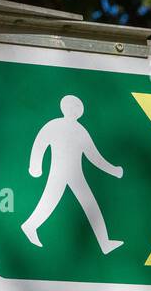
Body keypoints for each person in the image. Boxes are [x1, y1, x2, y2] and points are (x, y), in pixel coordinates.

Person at [21, 94, 124, 254]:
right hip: (59, 173)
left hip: (76, 175)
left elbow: (94, 156)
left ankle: (105, 243)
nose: (74, 110)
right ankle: (29, 226)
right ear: (64, 107)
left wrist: (114, 170)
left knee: (90, 206)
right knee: (49, 202)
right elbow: (40, 144)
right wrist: (35, 166)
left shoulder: (81, 130)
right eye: (71, 106)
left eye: (77, 108)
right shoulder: (54, 125)